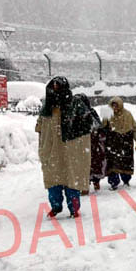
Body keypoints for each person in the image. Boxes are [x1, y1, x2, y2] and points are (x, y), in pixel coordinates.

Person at [35, 77, 93, 218]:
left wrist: (72, 130)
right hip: (52, 150)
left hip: (70, 150)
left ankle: (74, 209)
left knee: (71, 179)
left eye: (58, 86)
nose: (55, 89)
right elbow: (40, 127)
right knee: (53, 180)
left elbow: (88, 123)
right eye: (53, 86)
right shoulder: (46, 107)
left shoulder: (75, 104)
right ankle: (55, 207)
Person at [103, 96, 136, 190]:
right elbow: (103, 128)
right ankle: (114, 183)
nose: (114, 108)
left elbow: (133, 128)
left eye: (116, 106)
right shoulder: (108, 115)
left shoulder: (127, 115)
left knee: (126, 163)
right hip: (112, 144)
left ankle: (126, 180)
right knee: (112, 164)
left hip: (126, 143)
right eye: (112, 106)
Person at [73, 94, 106, 192]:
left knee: (94, 163)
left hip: (92, 142)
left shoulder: (91, 112)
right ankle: (84, 185)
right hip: (81, 143)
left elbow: (97, 126)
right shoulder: (74, 114)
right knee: (82, 164)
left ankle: (95, 182)